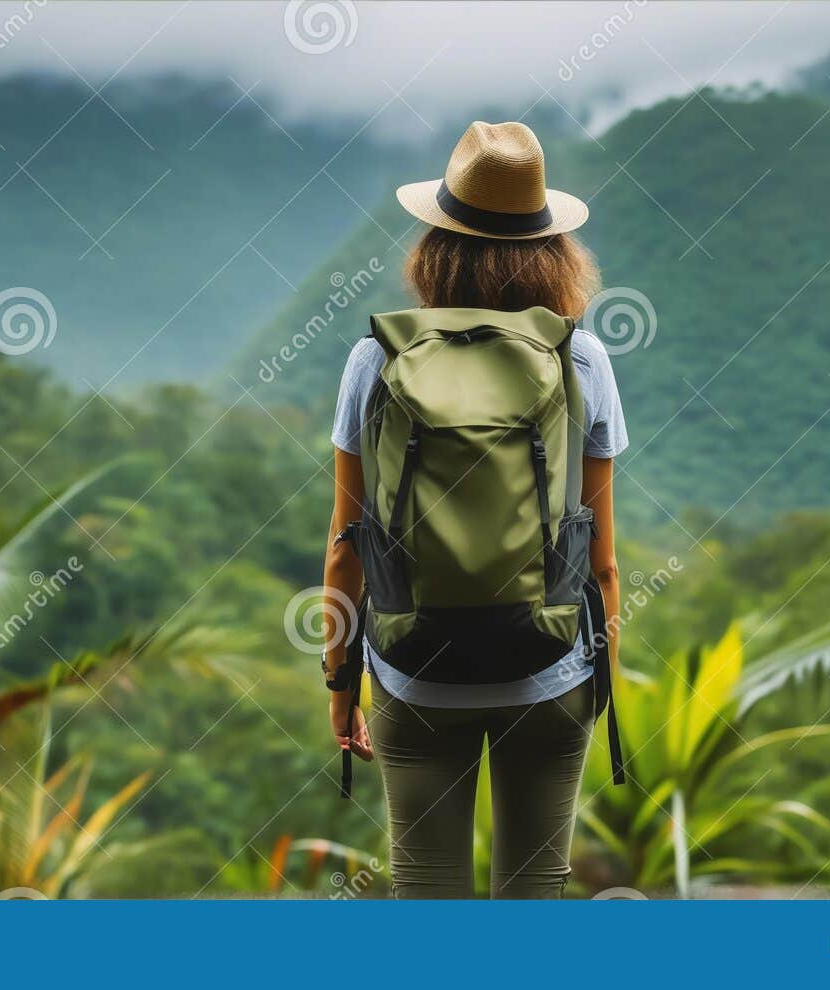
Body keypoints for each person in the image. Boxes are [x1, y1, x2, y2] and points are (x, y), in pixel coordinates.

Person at [321, 121, 627, 898]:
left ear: (435, 248)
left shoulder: (376, 359)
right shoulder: (579, 357)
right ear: (554, 250)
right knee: (532, 897)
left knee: (428, 902)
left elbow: (344, 546)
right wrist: (600, 680)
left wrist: (339, 678)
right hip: (548, 664)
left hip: (412, 664)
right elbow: (604, 557)